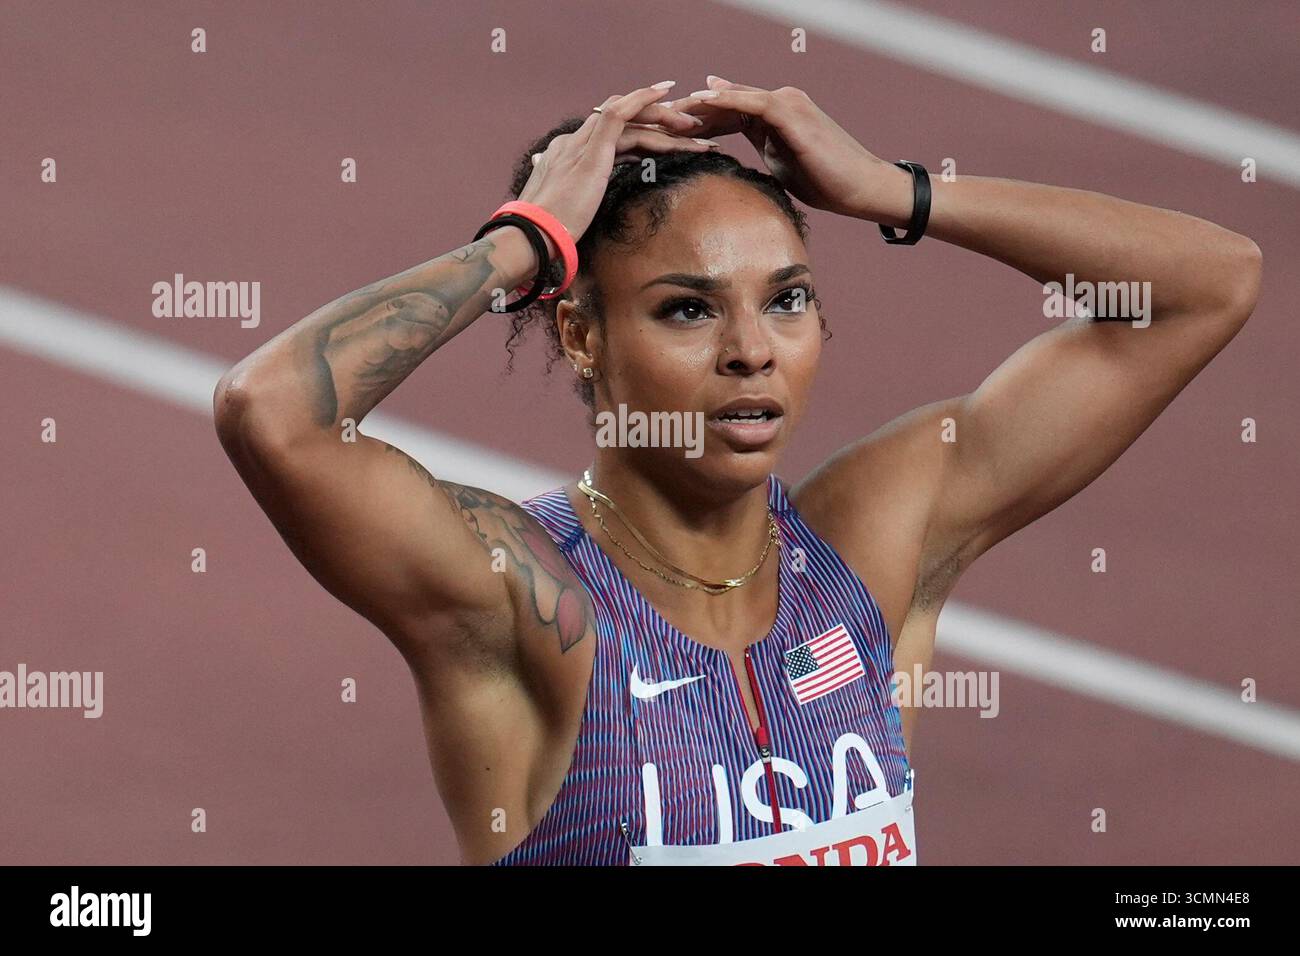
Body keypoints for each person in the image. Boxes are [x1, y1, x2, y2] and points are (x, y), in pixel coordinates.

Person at [213, 77, 1262, 865]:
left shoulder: (868, 544)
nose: (752, 349)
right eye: (687, 307)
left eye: (788, 297)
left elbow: (1208, 285)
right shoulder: (517, 592)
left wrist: (894, 191)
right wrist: (522, 243)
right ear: (579, 335)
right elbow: (275, 412)